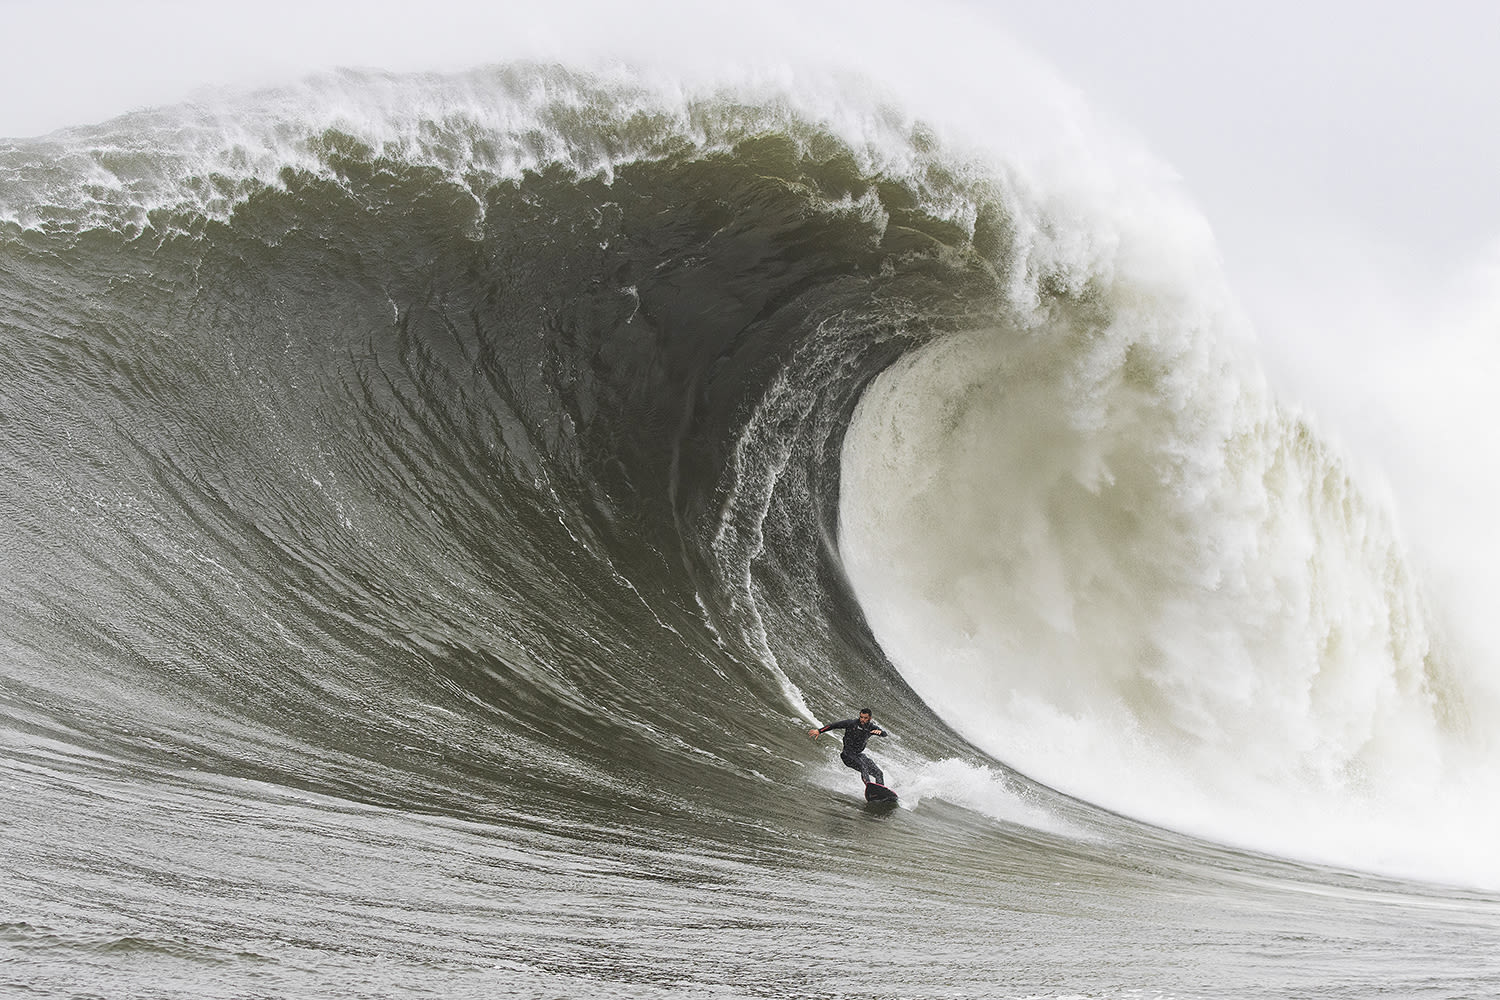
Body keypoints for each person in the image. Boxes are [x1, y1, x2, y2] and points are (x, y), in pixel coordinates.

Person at [809, 708, 890, 786]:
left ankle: (880, 791)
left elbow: (884, 734)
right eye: (861, 717)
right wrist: (819, 731)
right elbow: (833, 725)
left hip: (858, 755)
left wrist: (881, 732)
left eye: (865, 718)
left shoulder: (871, 727)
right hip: (847, 755)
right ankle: (869, 786)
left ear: (870, 718)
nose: (862, 719)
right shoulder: (851, 723)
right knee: (863, 765)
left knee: (878, 773)